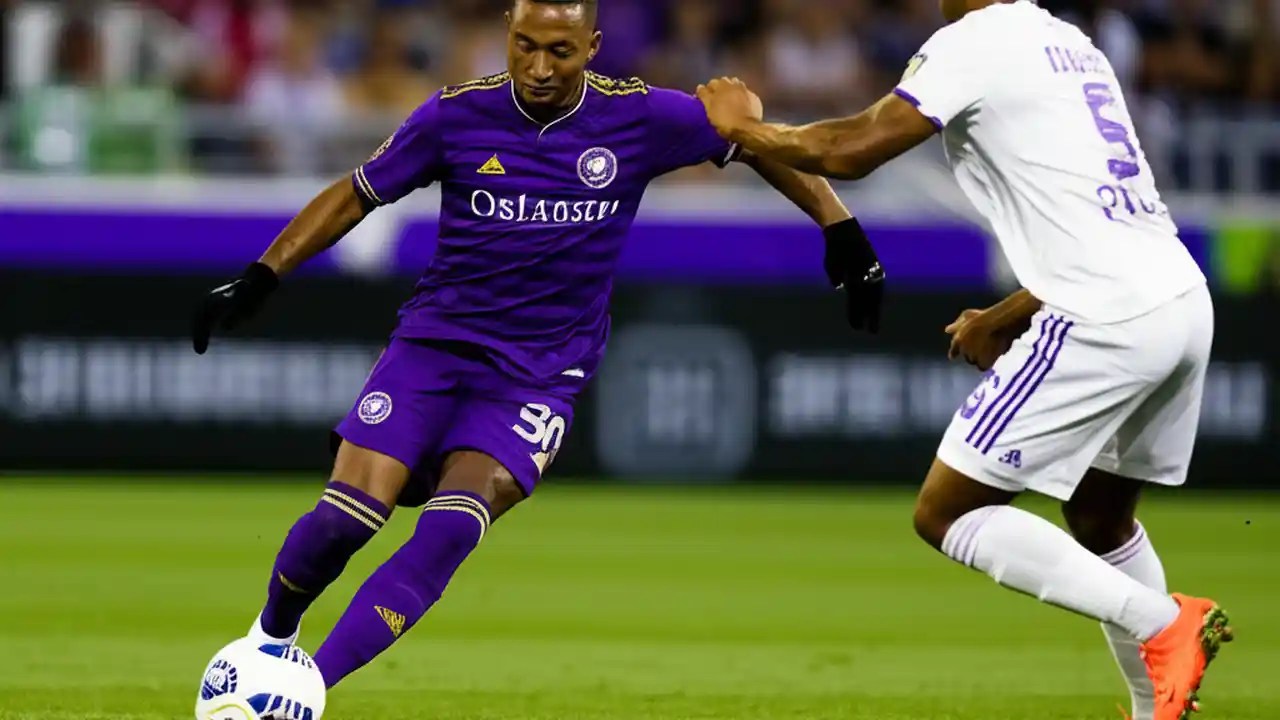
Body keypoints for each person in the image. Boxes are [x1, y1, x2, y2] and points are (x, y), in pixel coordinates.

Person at [190, 0, 884, 692]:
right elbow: (356, 194)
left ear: (592, 47)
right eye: (525, 46)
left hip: (538, 375)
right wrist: (261, 275)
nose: (540, 67)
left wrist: (840, 227)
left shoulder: (639, 117)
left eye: (560, 51)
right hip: (433, 349)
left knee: (451, 529)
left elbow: (756, 139)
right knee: (347, 517)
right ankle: (267, 639)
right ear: (507, 38)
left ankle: (308, 686)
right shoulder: (455, 114)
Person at [695, 2, 1230, 719]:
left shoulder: (974, 41)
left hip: (1104, 313)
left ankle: (1164, 623)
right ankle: (1155, 707)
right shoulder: (1069, 44)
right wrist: (1008, 314)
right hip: (1178, 299)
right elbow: (1097, 216)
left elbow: (857, 147)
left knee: (948, 513)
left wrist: (743, 128)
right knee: (1101, 520)